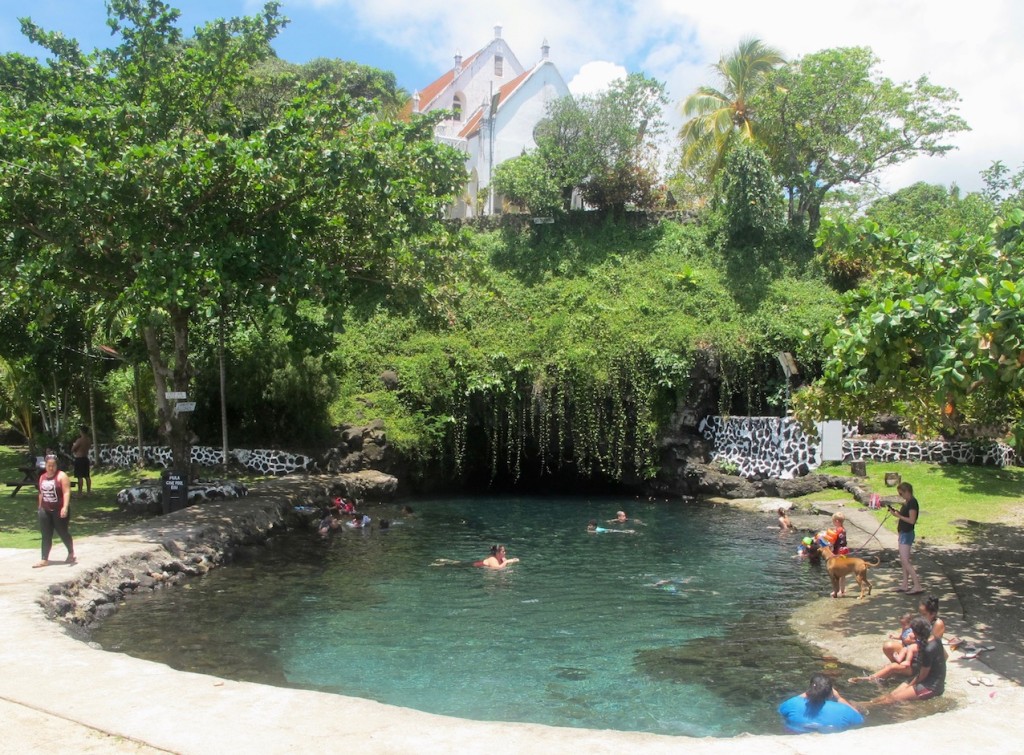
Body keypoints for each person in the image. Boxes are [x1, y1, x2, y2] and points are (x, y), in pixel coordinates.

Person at [866, 616, 945, 706]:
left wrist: (909, 686)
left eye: (912, 632)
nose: (910, 634)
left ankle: (867, 706)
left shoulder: (928, 649)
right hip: (921, 679)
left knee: (893, 699)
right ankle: (866, 703)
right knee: (892, 694)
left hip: (931, 686)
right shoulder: (934, 639)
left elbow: (922, 676)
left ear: (916, 633)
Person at [778, 673, 864, 734]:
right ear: (831, 693)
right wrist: (839, 698)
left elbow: (781, 712)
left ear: (809, 690)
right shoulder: (844, 710)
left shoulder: (792, 704)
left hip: (796, 735)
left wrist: (808, 693)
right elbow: (859, 719)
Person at [850, 613, 919, 683]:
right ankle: (883, 674)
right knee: (891, 658)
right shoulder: (911, 638)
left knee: (892, 667)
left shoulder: (914, 646)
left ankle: (869, 679)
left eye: (911, 636)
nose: (909, 635)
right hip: (909, 659)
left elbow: (909, 660)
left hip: (913, 667)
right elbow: (903, 638)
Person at [34, 454, 76, 567]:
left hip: (59, 509)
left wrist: (65, 507)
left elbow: (66, 492)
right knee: (46, 534)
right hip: (45, 509)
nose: (51, 468)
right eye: (48, 465)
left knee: (62, 532)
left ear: (57, 465)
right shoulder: (42, 477)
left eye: (53, 465)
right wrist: (39, 507)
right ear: (45, 465)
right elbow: (41, 493)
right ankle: (44, 558)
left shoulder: (62, 476)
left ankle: (71, 552)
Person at [888, 482, 923, 593]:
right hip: (903, 533)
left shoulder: (912, 502)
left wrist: (898, 516)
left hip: (907, 533)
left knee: (905, 561)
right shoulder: (907, 502)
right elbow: (905, 516)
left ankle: (917, 585)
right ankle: (905, 584)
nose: (900, 495)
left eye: (901, 493)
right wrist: (897, 513)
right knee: (904, 561)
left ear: (907, 491)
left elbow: (912, 520)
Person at [71, 425, 92, 496]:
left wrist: (74, 447)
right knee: (87, 476)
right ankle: (89, 492)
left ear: (82, 432)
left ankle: (80, 492)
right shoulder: (89, 440)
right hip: (85, 458)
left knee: (80, 476)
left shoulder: (80, 440)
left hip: (79, 459)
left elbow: (73, 449)